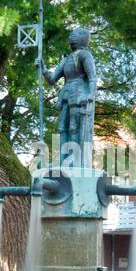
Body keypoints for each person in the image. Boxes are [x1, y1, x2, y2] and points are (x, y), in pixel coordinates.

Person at [42, 26, 97, 166]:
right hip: (66, 94)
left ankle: (74, 159)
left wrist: (90, 95)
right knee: (62, 127)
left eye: (77, 34)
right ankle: (62, 158)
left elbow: (92, 77)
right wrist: (43, 70)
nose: (72, 36)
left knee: (74, 127)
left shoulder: (85, 55)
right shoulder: (67, 59)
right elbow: (52, 80)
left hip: (79, 95)